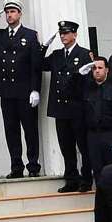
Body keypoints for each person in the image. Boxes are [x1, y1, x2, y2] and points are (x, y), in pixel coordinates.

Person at [0, 0, 42, 178]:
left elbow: (35, 65)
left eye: (13, 11)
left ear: (20, 14)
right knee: (11, 130)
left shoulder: (30, 35)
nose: (9, 14)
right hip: (5, 91)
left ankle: (33, 166)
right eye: (7, 12)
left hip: (24, 91)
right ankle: (16, 166)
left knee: (29, 129)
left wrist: (35, 89)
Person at [40, 20, 93, 192]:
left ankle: (86, 178)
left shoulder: (84, 54)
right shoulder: (56, 55)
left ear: (74, 34)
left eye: (66, 33)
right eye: (61, 33)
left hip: (77, 108)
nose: (63, 36)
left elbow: (88, 83)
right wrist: (43, 47)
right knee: (66, 146)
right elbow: (39, 64)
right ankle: (71, 179)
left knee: (83, 146)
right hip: (60, 108)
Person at [80, 57, 112, 181]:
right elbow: (68, 90)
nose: (97, 71)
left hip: (111, 134)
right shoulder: (86, 89)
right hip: (93, 135)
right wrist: (78, 75)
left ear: (107, 70)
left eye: (100, 68)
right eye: (94, 68)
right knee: (97, 170)